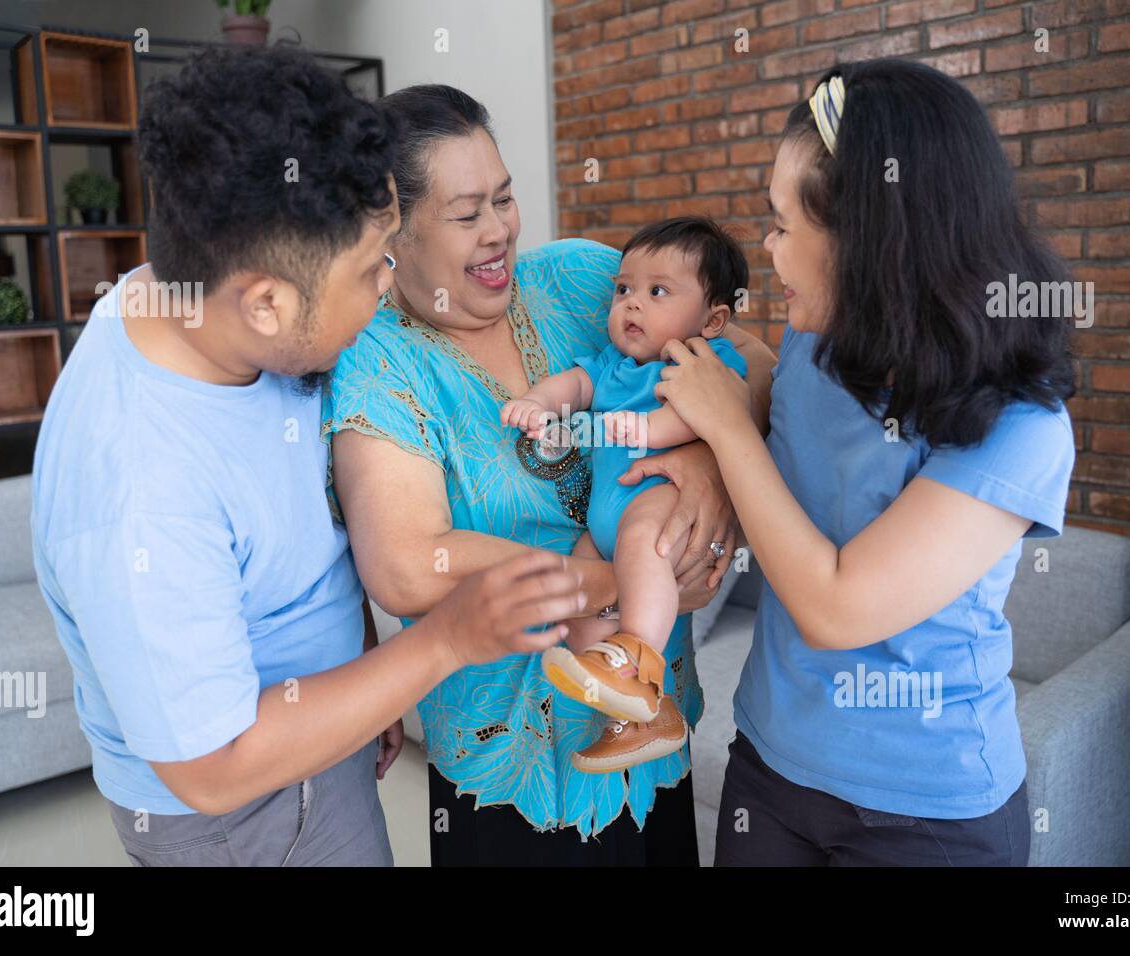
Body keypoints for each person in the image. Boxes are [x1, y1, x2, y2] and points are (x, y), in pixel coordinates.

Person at [31, 48, 582, 867]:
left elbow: (304, 511)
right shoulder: (137, 485)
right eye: (371, 272)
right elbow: (211, 766)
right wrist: (439, 646)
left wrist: (361, 661)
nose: (389, 289)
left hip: (320, 743)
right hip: (242, 814)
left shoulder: (205, 301)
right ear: (265, 302)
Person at [327, 85, 776, 866]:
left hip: (649, 743)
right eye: (468, 213)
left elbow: (761, 371)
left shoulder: (584, 279)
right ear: (389, 231)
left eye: (504, 198)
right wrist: (608, 579)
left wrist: (703, 462)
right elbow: (405, 564)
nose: (499, 229)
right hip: (507, 772)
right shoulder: (376, 360)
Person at [657, 59, 1077, 866]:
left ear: (870, 241)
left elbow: (838, 605)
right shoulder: (818, 344)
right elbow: (788, 435)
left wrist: (729, 434)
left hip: (928, 813)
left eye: (783, 227)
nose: (768, 251)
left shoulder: (1024, 427)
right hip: (771, 767)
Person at [501, 217, 749, 773]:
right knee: (581, 599)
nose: (632, 304)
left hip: (657, 500)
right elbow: (576, 386)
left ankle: (636, 649)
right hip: (603, 519)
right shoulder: (614, 366)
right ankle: (634, 713)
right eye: (623, 290)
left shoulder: (702, 364)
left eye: (657, 291)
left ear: (713, 320)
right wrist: (539, 402)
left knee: (640, 546)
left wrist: (643, 431)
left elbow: (713, 412)